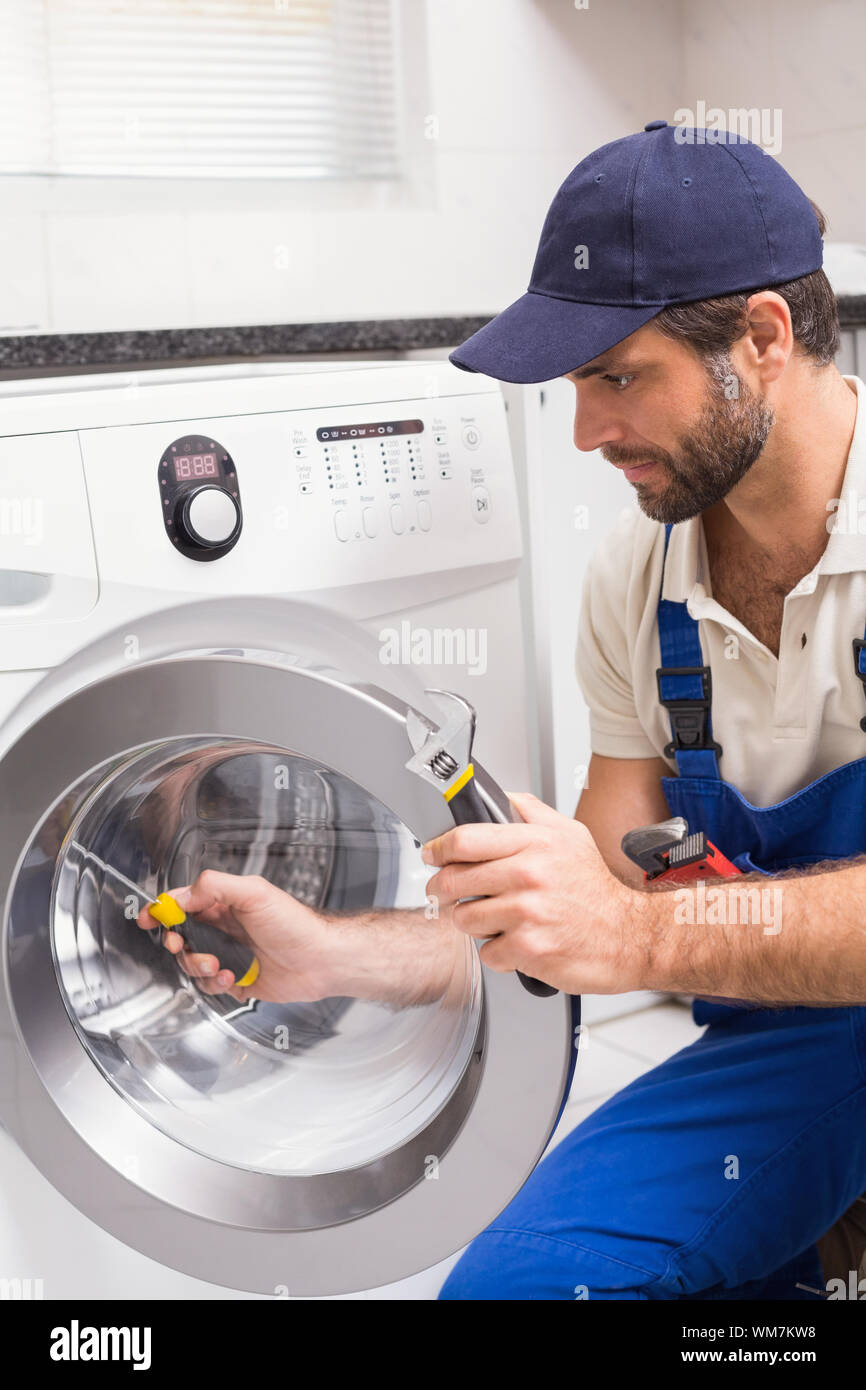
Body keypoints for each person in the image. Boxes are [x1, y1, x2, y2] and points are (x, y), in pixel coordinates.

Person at [141, 122, 866, 1300]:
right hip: (794, 1046)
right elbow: (591, 904)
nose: (584, 432)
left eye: (617, 376)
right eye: (577, 384)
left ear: (762, 338)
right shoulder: (639, 583)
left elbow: (627, 931)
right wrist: (339, 954)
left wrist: (632, 936)